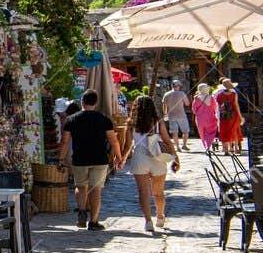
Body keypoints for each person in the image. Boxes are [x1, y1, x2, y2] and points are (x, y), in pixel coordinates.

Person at [61, 90, 122, 231]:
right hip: (99, 158)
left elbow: (65, 141)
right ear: (96, 102)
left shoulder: (72, 119)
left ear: (82, 101)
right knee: (96, 189)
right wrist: (118, 156)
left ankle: (82, 211)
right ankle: (94, 221)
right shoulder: (104, 119)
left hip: (79, 158)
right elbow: (113, 140)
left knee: (80, 186)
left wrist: (61, 158)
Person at [126, 94, 181, 233]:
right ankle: (160, 217)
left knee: (143, 192)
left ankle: (148, 221)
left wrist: (121, 158)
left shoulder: (131, 122)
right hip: (157, 157)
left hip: (139, 157)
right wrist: (175, 158)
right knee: (159, 192)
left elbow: (127, 145)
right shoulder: (158, 121)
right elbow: (167, 140)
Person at [217, 78, 244, 156]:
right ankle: (235, 148)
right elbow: (236, 105)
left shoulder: (220, 95)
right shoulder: (234, 94)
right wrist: (240, 115)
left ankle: (226, 149)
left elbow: (219, 107)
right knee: (234, 130)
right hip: (233, 114)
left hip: (224, 116)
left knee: (225, 131)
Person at [162, 81, 191, 151]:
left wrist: (165, 114)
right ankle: (184, 145)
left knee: (174, 132)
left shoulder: (167, 94)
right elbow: (187, 104)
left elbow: (164, 105)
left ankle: (177, 147)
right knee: (185, 131)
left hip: (171, 115)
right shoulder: (181, 94)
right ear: (178, 86)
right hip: (181, 115)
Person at [192, 82, 220, 152]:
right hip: (210, 117)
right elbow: (214, 108)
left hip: (200, 119)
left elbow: (194, 110)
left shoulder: (196, 98)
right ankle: (208, 145)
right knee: (211, 132)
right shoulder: (211, 98)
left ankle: (205, 146)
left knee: (202, 133)